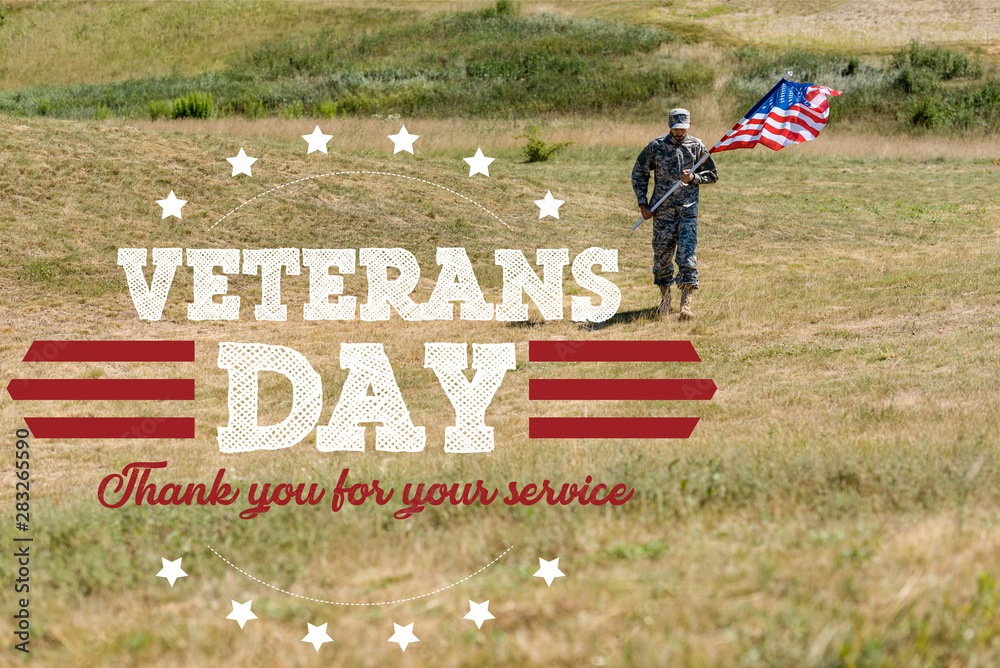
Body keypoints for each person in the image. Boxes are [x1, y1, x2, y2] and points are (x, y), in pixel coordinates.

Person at [631, 108, 718, 320]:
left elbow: (713, 175)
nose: (679, 133)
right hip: (662, 213)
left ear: (689, 125)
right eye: (676, 129)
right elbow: (639, 172)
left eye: (683, 129)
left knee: (687, 256)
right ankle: (665, 299)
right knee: (662, 258)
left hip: (687, 211)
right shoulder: (656, 146)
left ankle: (685, 304)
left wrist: (694, 178)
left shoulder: (697, 146)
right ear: (669, 125)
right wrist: (643, 203)